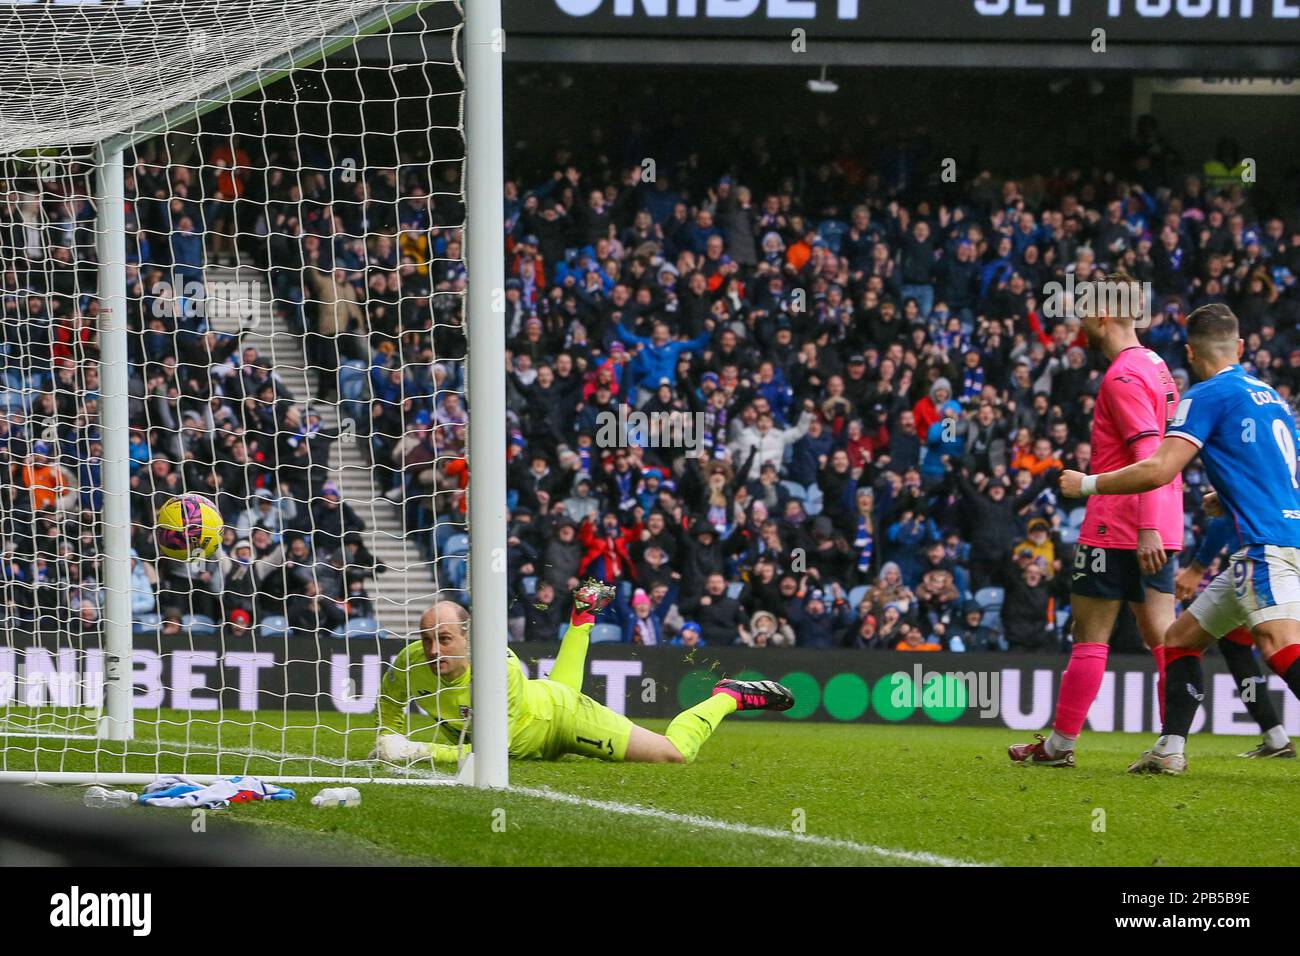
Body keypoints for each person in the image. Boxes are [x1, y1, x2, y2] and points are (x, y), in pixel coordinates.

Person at [1059, 304, 1300, 775]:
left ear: (1190, 352)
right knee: (1180, 638)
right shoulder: (1271, 395)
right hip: (1280, 535)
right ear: (1242, 347)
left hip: (1265, 546)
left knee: (1278, 645)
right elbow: (1280, 472)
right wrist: (1226, 497)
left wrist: (1087, 484)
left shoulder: (1204, 396)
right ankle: (1170, 748)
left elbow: (1158, 468)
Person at [1010, 274, 1182, 768]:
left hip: (1118, 524)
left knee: (1090, 637)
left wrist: (1139, 520)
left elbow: (1148, 451)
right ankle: (1172, 748)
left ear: (1103, 316)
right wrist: (1156, 524)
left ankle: (1060, 746)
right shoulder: (1157, 365)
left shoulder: (1121, 376)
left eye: (1085, 312)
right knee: (1165, 641)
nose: (1079, 323)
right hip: (1163, 521)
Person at [371, 580, 794, 766]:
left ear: (470, 638)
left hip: (559, 719)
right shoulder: (410, 662)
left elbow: (489, 756)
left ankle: (730, 694)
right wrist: (386, 737)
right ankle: (583, 616)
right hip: (534, 710)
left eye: (443, 640)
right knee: (559, 685)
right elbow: (389, 703)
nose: (431, 650)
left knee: (673, 754)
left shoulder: (496, 669)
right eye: (426, 638)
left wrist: (419, 751)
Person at [1176, 514, 1293, 758]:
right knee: (1234, 644)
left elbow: (1223, 519)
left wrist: (1198, 566)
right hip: (1279, 555)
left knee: (1277, 646)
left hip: (1259, 559)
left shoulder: (1242, 478)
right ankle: (1275, 737)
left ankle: (1275, 736)